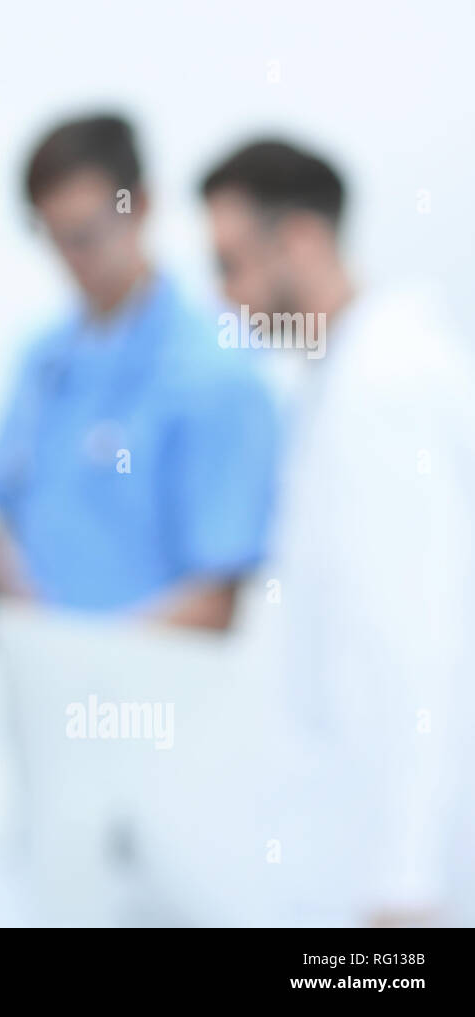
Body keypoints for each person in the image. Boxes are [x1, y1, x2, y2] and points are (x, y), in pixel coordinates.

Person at [200, 139, 475, 926]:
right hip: (356, 851)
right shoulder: (338, 380)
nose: (225, 296)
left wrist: (404, 885)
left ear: (303, 241)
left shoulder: (387, 386)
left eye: (232, 262)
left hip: (406, 887)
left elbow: (421, 649)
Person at [0, 114, 279, 630]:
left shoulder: (217, 372)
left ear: (139, 206)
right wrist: (35, 633)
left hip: (157, 697)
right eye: (52, 236)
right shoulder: (43, 360)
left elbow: (218, 594)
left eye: (84, 234)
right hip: (39, 684)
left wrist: (92, 663)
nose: (69, 259)